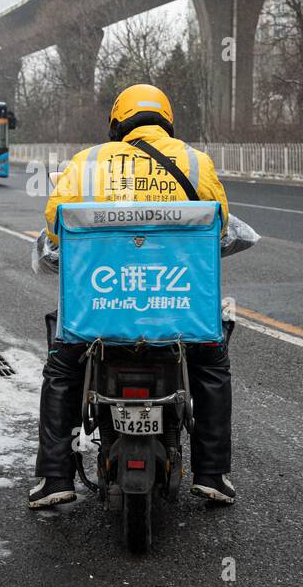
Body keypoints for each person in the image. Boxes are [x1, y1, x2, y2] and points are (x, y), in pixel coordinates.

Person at [28, 83, 236, 510]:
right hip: (178, 312)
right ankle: (213, 474)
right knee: (212, 364)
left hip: (98, 314)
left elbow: (55, 227)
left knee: (63, 370)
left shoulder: (86, 164)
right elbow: (219, 225)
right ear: (167, 121)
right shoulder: (196, 163)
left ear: (117, 124)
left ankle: (54, 479)